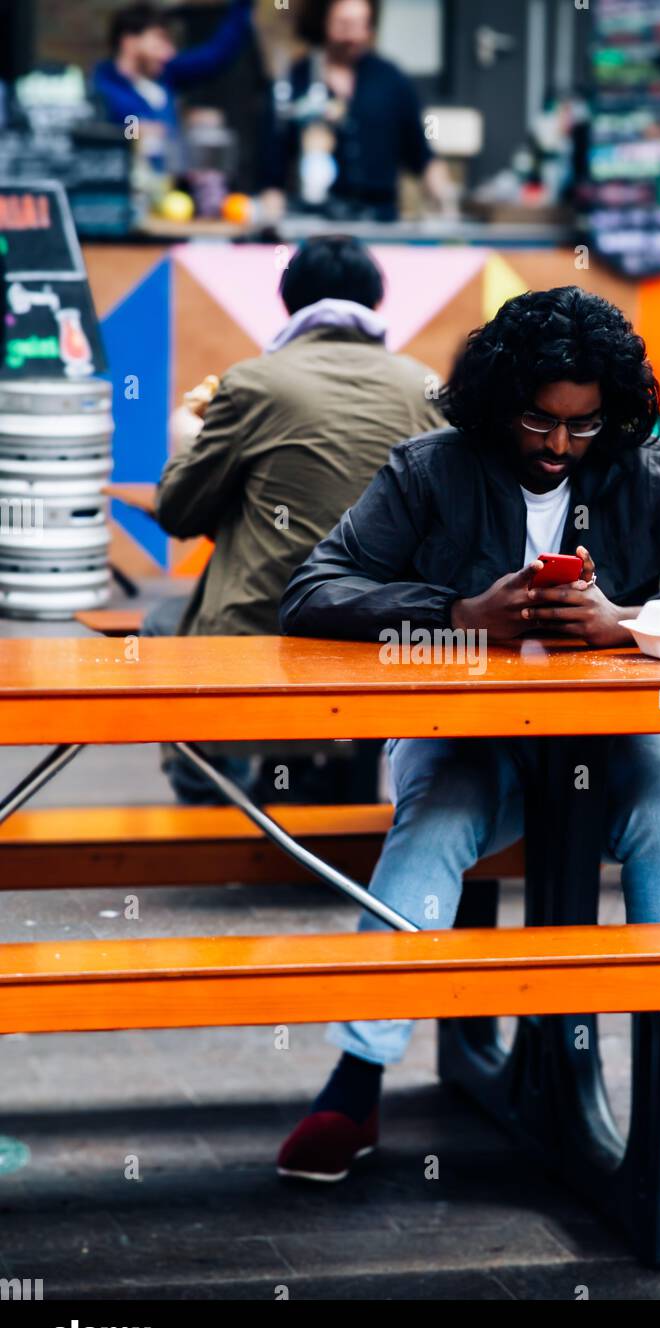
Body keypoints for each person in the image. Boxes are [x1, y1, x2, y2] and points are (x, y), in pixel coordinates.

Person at [276, 285, 660, 1180]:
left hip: (611, 740)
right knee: (431, 827)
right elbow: (314, 592)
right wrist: (458, 614)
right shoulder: (430, 468)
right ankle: (355, 1084)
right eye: (539, 421)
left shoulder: (643, 472)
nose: (560, 446)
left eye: (584, 426)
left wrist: (630, 621)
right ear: (495, 402)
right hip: (466, 736)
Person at [148, 235, 444, 803]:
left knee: (164, 624)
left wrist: (184, 436)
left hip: (260, 631)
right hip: (387, 636)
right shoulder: (423, 385)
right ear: (376, 299)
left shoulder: (254, 382)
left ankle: (218, 799)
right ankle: (325, 789)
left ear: (288, 301)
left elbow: (179, 511)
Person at [264, 0, 456, 220]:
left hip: (380, 220)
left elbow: (422, 156)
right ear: (324, 21)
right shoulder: (295, 81)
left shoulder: (391, 79)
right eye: (343, 25)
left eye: (359, 25)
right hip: (313, 219)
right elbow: (272, 172)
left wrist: (446, 201)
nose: (351, 38)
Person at [92, 0, 254, 129]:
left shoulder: (165, 76)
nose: (169, 53)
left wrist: (242, 4)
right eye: (160, 39)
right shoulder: (101, 88)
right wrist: (137, 132)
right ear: (130, 41)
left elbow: (215, 55)